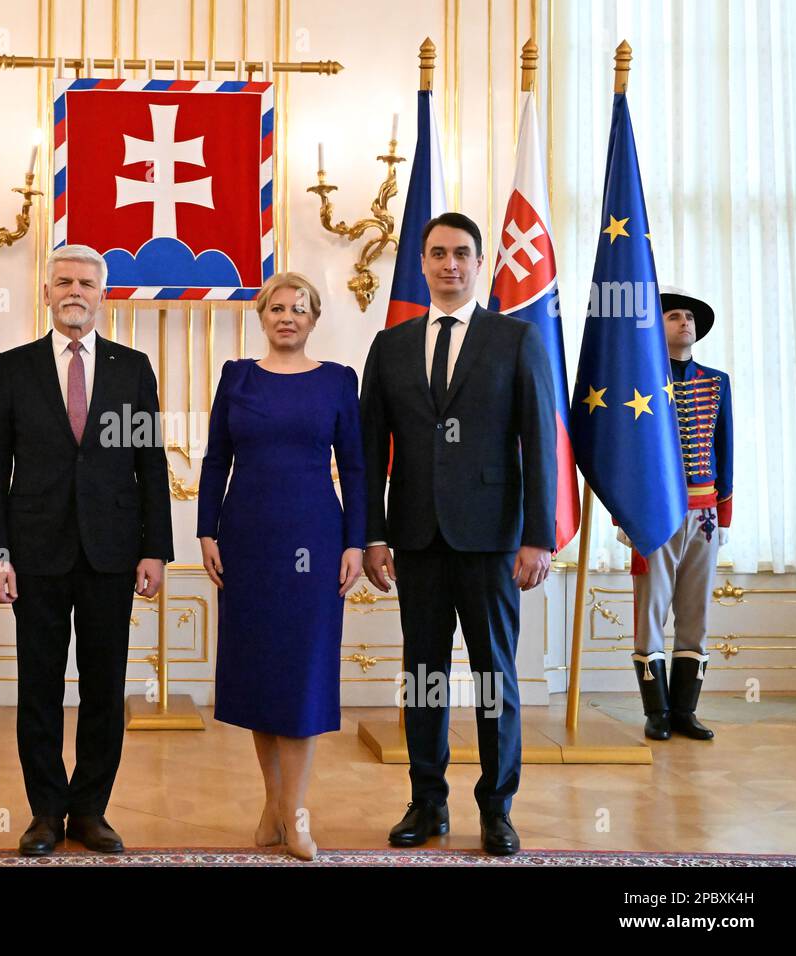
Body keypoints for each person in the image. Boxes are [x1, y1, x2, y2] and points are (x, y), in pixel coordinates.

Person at [360, 212, 556, 856]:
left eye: (462, 254)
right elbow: (369, 448)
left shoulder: (516, 338)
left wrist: (539, 536)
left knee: (495, 676)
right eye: (437, 253)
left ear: (478, 266)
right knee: (424, 676)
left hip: (494, 538)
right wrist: (373, 534)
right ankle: (427, 802)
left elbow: (540, 442)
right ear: (421, 262)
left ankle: (497, 808)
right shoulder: (390, 346)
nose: (449, 264)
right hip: (415, 538)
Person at [0, 244, 174, 857]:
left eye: (87, 283)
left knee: (103, 688)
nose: (75, 291)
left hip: (112, 555)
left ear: (102, 294)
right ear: (46, 292)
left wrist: (156, 549)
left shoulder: (133, 367)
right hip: (34, 554)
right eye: (63, 280)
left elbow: (151, 462)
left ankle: (90, 811)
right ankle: (43, 813)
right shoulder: (13, 367)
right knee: (38, 688)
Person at [197, 272, 366, 861]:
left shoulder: (338, 382)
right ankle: (275, 803)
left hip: (316, 539)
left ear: (314, 318)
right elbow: (217, 458)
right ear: (261, 316)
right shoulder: (236, 377)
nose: (287, 316)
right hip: (247, 540)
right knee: (258, 674)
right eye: (276, 307)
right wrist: (205, 530)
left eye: (299, 308)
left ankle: (294, 812)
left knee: (300, 675)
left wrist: (355, 541)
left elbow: (358, 467)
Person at [619, 286, 731, 741]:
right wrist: (625, 517)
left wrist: (723, 518)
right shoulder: (640, 381)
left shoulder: (716, 381)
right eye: (673, 316)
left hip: (703, 512)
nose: (684, 322)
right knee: (651, 611)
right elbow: (625, 454)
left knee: (694, 612)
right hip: (655, 511)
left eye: (688, 317)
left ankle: (685, 710)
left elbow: (724, 450)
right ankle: (657, 712)